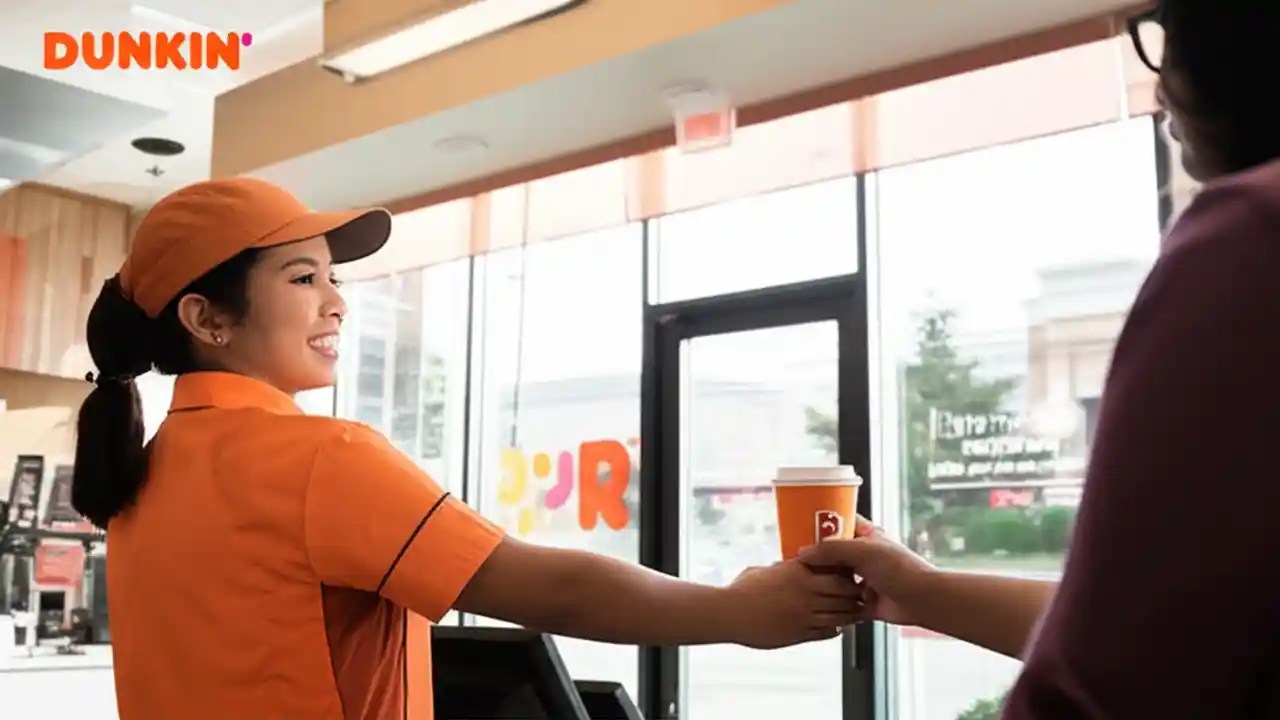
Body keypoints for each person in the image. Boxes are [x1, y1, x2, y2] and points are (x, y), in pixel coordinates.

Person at [72, 178, 860, 719]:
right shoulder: (320, 459)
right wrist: (738, 611)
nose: (339, 302)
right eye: (304, 278)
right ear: (208, 320)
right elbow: (551, 589)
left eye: (333, 277)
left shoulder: (139, 474)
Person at [802, 1, 1280, 716]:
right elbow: (1162, 624)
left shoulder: (1252, 237)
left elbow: (1104, 690)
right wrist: (924, 589)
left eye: (1167, 33)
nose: (1158, 82)